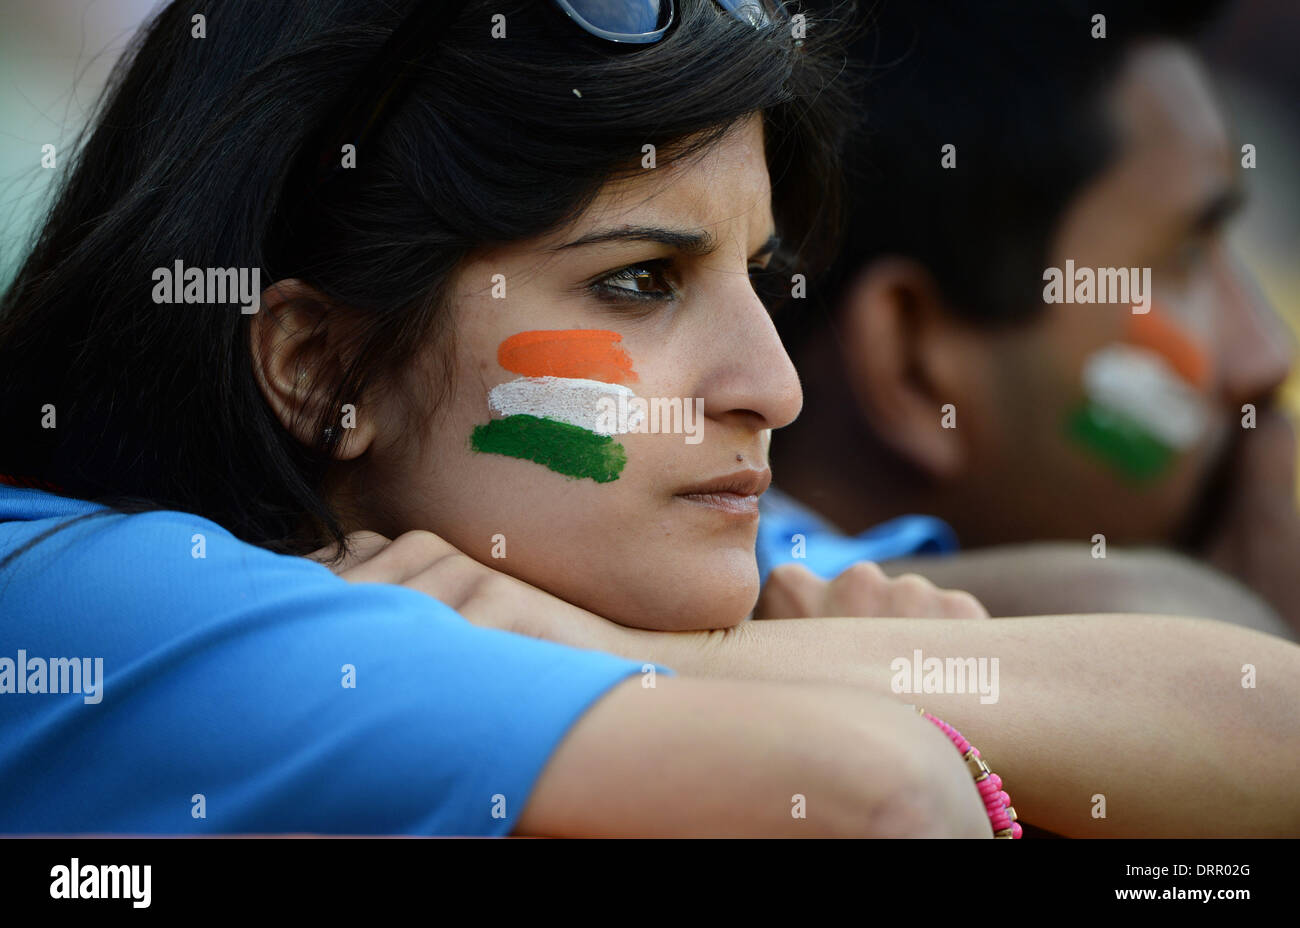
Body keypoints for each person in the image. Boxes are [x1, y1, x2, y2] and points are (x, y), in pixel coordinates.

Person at [2, 0, 1298, 839]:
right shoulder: (85, 599)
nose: (770, 386)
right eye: (640, 281)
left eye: (758, 275)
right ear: (317, 362)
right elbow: (885, 806)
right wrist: (897, 706)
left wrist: (707, 664)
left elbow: (1246, 688)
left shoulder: (558, 559)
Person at [765, 0, 1300, 637]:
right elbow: (1176, 629)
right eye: (1183, 256)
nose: (1267, 355)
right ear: (913, 365)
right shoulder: (682, 617)